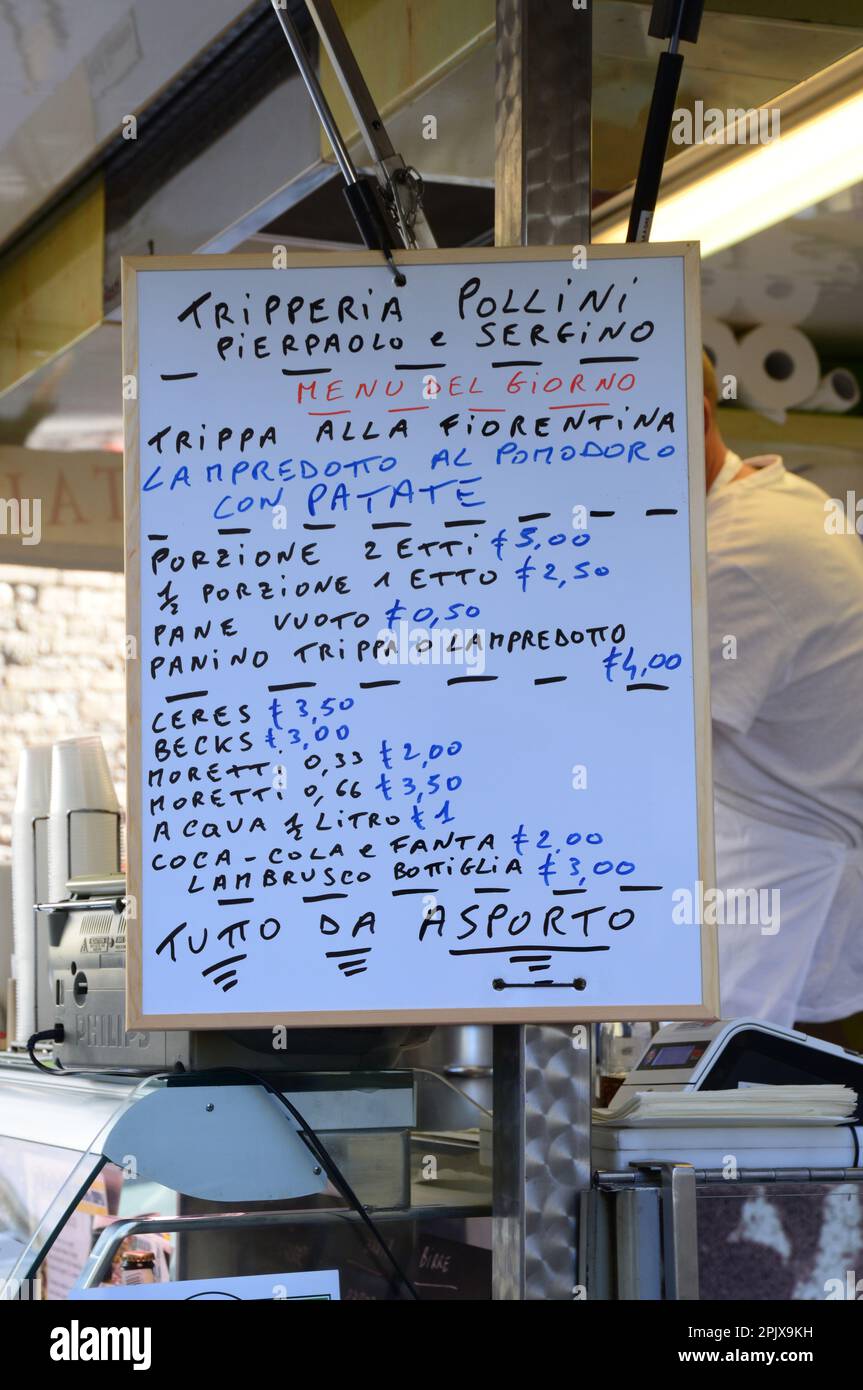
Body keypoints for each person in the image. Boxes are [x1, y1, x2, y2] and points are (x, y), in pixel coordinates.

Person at [703, 351, 863, 1031]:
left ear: (693, 418)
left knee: (729, 1124)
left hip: (782, 908)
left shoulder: (740, 551)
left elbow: (640, 753)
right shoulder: (764, 502)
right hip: (757, 885)